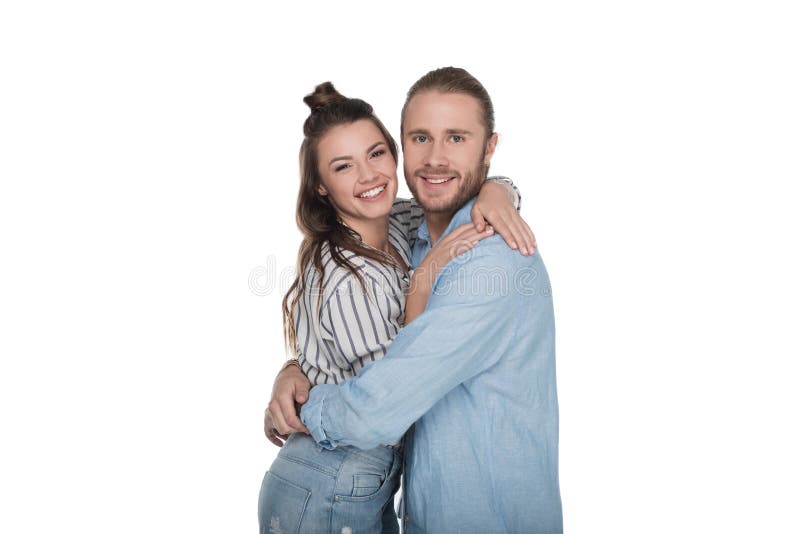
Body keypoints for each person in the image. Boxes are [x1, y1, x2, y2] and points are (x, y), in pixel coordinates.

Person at [267, 67, 563, 533]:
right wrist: (297, 368)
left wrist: (308, 405)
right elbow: (374, 371)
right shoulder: (420, 236)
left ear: (489, 148)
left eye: (457, 138)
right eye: (421, 138)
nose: (436, 159)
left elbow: (375, 407)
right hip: (342, 484)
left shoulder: (484, 263)